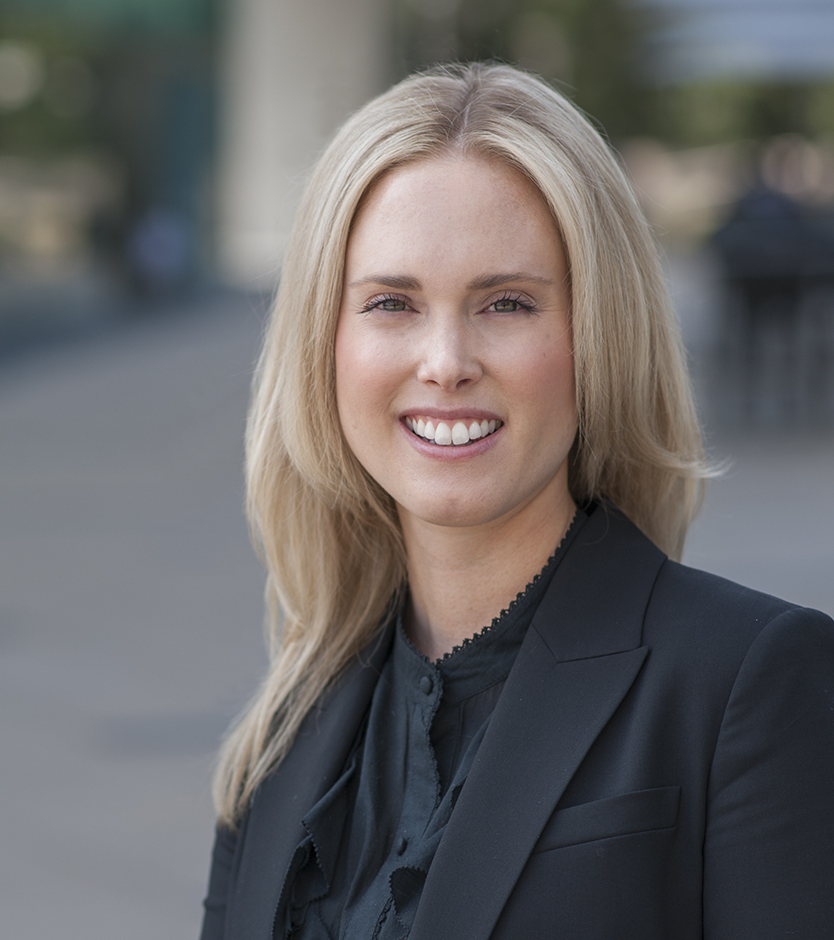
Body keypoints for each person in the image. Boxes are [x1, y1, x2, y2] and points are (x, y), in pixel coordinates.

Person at [200, 64, 834, 940]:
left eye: (506, 303)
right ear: (325, 343)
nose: (447, 360)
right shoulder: (282, 734)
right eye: (392, 302)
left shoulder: (749, 684)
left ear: (596, 334)